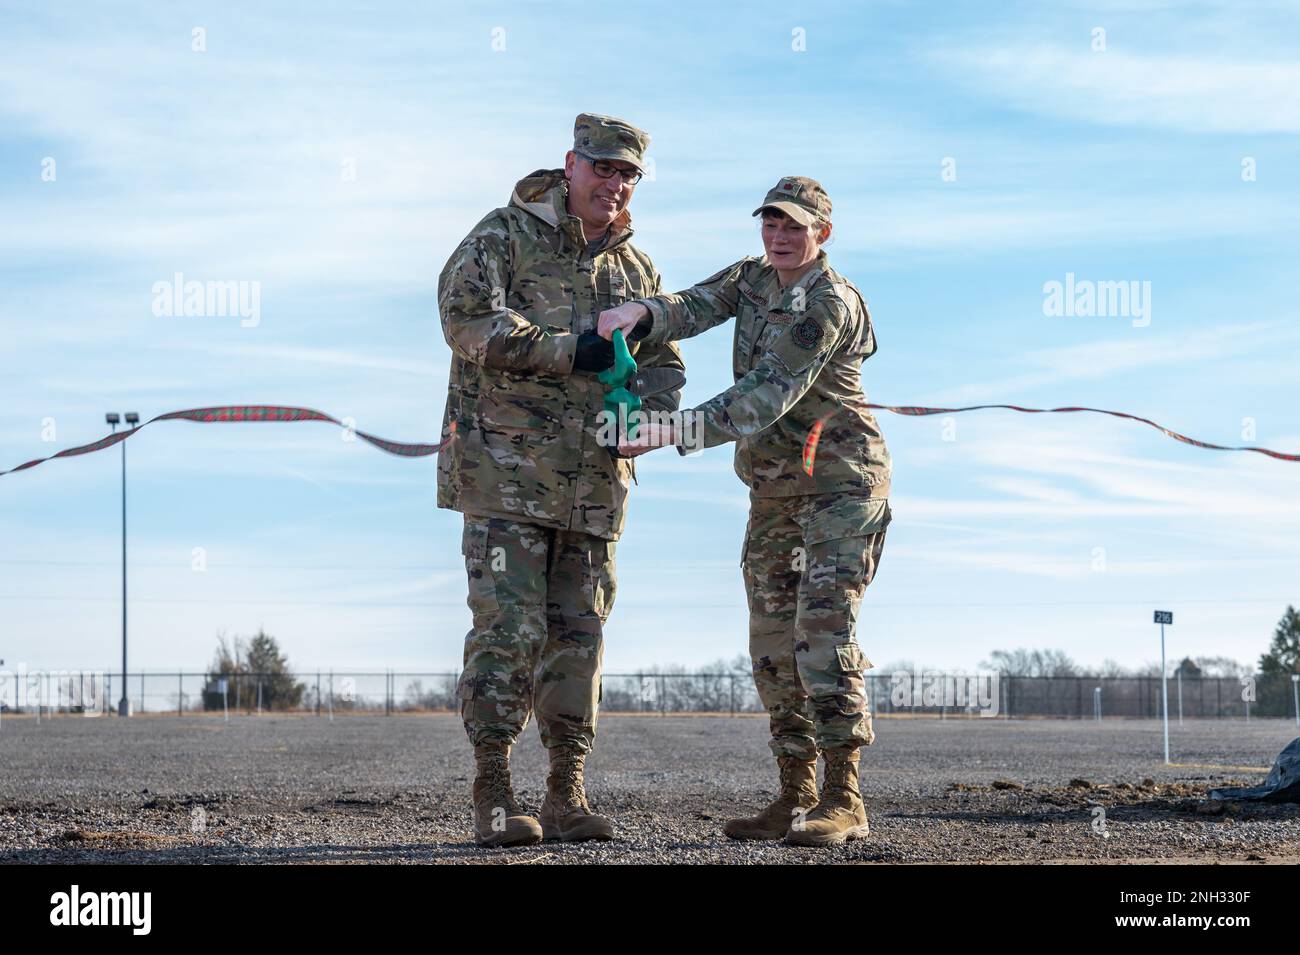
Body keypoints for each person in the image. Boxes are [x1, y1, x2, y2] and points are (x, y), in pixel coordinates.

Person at [597, 176, 891, 846]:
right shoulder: (754, 279)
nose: (781, 237)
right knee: (772, 645)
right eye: (771, 225)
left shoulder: (830, 302)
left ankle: (845, 798)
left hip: (841, 489)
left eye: (795, 226)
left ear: (823, 233)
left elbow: (766, 394)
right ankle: (795, 795)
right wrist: (641, 315)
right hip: (775, 492)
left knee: (821, 634)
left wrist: (670, 430)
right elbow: (697, 305)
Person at [437, 113, 685, 847]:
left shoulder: (635, 272)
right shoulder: (503, 237)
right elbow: (468, 322)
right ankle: (493, 791)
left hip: (594, 487)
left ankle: (565, 792)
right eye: (603, 168)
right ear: (570, 165)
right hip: (507, 478)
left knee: (579, 638)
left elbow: (665, 358)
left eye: (628, 174)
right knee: (508, 632)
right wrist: (569, 350)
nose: (615, 184)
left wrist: (653, 412)